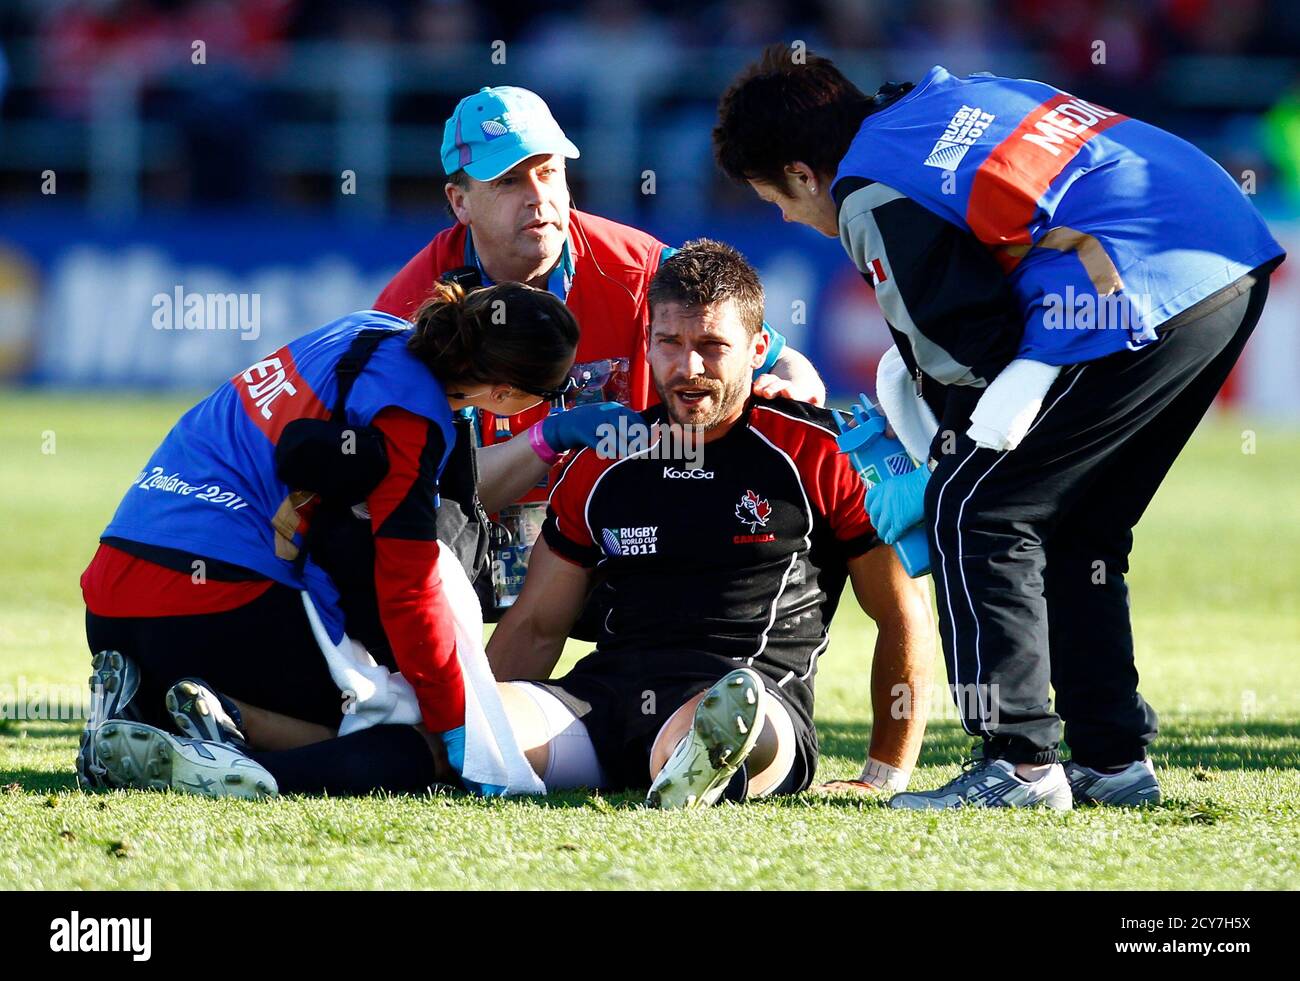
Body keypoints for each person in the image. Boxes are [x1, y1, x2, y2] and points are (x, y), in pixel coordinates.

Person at [712, 45, 1286, 809]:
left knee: (975, 507)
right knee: (1075, 526)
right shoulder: (940, 100)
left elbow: (969, 348)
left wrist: (934, 445)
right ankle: (1111, 760)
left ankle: (1017, 762)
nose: (785, 217)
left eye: (773, 198)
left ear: (800, 172)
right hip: (1224, 254)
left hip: (1129, 284)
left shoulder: (866, 189)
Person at [78, 281, 592, 798]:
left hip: (111, 600)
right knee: (409, 732)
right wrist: (456, 725)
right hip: (217, 607)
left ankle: (147, 701)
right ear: (504, 394)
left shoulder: (362, 329)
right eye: (550, 394)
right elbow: (408, 590)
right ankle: (221, 738)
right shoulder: (409, 418)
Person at [487, 240, 936, 807]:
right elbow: (535, 626)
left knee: (715, 720)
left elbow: (903, 615)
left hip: (752, 703)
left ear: (758, 349)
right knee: (476, 720)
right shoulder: (603, 457)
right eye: (669, 343)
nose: (688, 368)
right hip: (604, 701)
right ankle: (661, 766)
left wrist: (885, 772)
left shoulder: (824, 450)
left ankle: (691, 759)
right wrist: (469, 715)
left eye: (712, 347)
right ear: (647, 344)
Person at [373, 86, 827, 612]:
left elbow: (784, 360)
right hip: (472, 537)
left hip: (623, 530)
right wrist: (548, 438)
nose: (537, 196)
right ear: (460, 202)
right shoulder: (410, 309)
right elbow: (410, 489)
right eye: (508, 181)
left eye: (549, 172)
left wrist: (791, 386)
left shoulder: (638, 267)